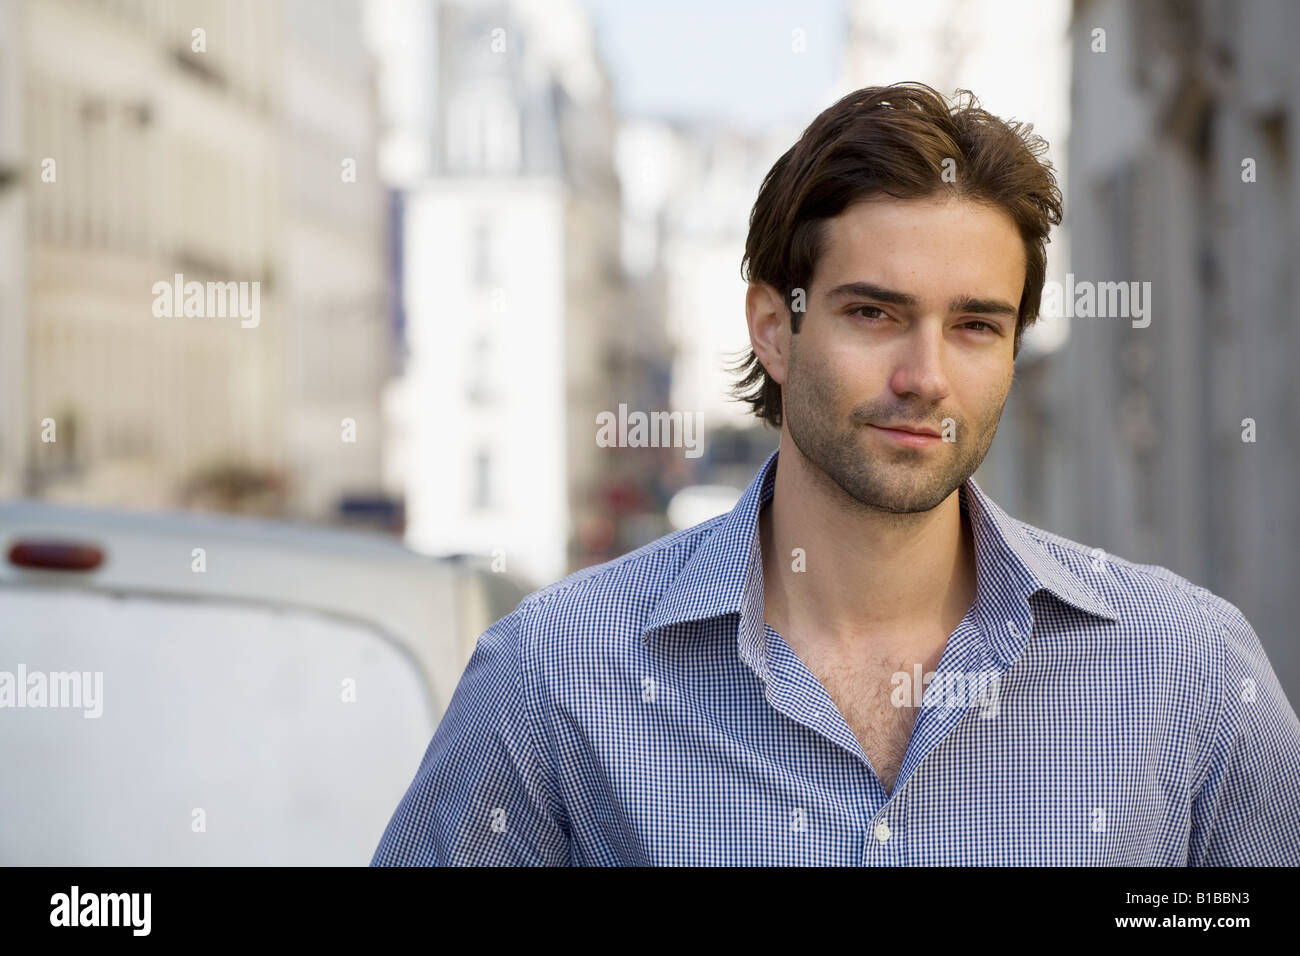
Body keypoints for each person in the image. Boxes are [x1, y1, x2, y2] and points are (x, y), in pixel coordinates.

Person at [372, 82, 1300, 865]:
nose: (926, 376)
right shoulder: (556, 676)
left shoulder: (1189, 676)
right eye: (873, 312)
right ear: (775, 327)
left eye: (977, 325)